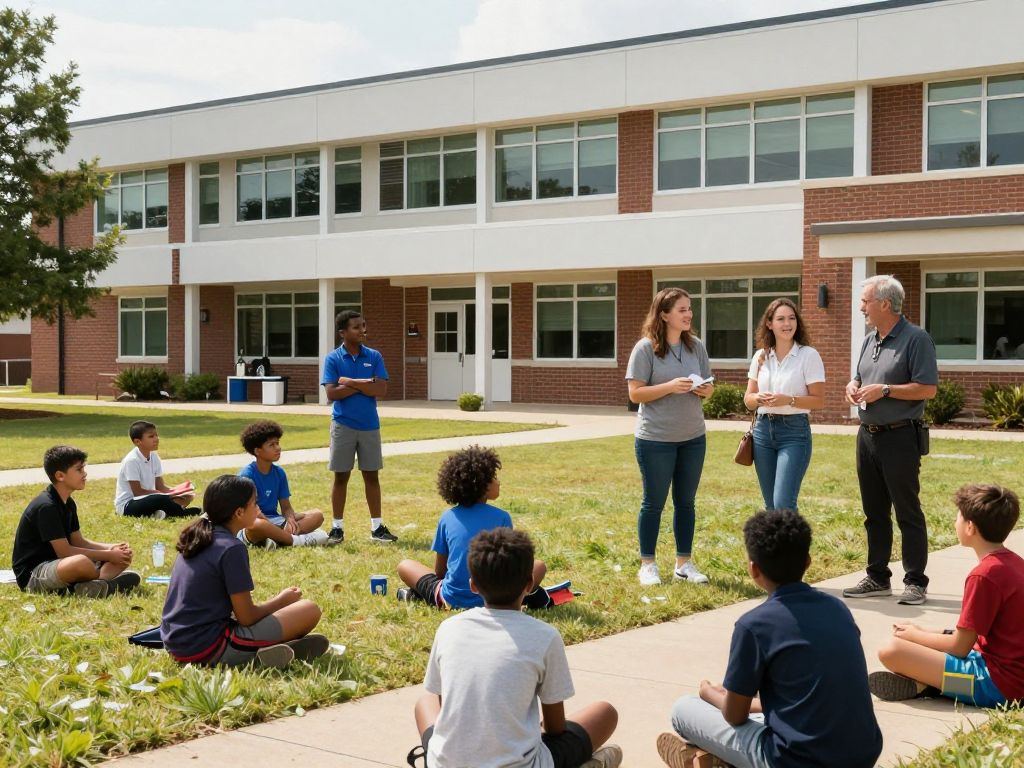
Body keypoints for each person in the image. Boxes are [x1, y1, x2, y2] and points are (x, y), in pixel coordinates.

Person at [657, 510, 882, 768]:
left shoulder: (754, 625)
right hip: (863, 754)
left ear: (753, 569)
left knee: (683, 710)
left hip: (795, 761)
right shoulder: (838, 609)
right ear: (808, 561)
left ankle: (724, 760)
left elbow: (734, 715)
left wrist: (710, 694)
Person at [412, 528, 622, 768]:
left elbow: (444, 708)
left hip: (447, 764)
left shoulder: (448, 628)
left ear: (473, 585)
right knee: (605, 713)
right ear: (530, 583)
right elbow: (555, 727)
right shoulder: (545, 636)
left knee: (424, 703)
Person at [869, 484, 1024, 708]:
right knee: (911, 642)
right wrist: (921, 632)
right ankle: (928, 681)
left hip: (1001, 687)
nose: (955, 523)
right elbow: (975, 635)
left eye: (958, 518)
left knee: (891, 650)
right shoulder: (1014, 563)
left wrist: (915, 637)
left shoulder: (984, 575)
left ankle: (937, 685)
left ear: (970, 527)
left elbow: (959, 647)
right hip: (1006, 671)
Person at [160, 475, 328, 669]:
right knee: (309, 610)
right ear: (239, 512)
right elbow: (246, 617)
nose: (258, 509)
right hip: (207, 647)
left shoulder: (198, 535)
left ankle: (275, 649)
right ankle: (257, 657)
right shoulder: (231, 548)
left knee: (289, 614)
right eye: (254, 504)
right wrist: (282, 600)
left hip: (175, 643)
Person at [843, 275, 938, 606]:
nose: (861, 307)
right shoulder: (870, 339)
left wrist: (886, 390)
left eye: (865, 301)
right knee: (874, 511)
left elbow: (927, 388)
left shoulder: (917, 339)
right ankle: (877, 576)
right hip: (866, 436)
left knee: (907, 510)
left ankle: (915, 581)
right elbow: (860, 375)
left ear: (885, 303)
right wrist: (852, 386)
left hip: (900, 436)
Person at [626, 287, 714, 586]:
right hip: (655, 439)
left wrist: (705, 390)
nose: (688, 314)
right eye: (682, 310)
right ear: (664, 314)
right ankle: (647, 564)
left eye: (689, 309)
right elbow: (635, 393)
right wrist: (670, 386)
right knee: (653, 503)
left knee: (686, 503)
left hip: (693, 436)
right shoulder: (645, 348)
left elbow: (709, 387)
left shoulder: (696, 347)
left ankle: (684, 563)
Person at [396, 445, 548, 609]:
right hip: (494, 599)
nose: (498, 481)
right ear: (483, 486)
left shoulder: (447, 517)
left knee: (405, 565)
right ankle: (526, 597)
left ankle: (418, 595)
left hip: (450, 599)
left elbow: (440, 572)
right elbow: (507, 566)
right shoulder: (502, 517)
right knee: (538, 566)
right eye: (494, 477)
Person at [12, 445, 140, 598]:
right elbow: (65, 551)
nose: (84, 474)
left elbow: (79, 541)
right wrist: (108, 556)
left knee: (122, 556)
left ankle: (93, 586)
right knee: (82, 562)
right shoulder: (46, 506)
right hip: (34, 574)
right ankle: (100, 582)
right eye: (79, 470)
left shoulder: (68, 503)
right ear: (60, 475)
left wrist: (113, 548)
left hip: (61, 564)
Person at [322, 309, 397, 544]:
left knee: (371, 476)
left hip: (369, 426)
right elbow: (332, 393)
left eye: (363, 325)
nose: (362, 330)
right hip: (343, 425)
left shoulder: (374, 356)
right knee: (341, 477)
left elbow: (381, 390)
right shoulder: (333, 359)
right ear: (343, 332)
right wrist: (366, 384)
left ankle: (377, 529)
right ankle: (337, 529)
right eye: (356, 327)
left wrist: (350, 382)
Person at [742, 298, 825, 512]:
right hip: (762, 433)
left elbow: (818, 400)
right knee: (771, 506)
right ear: (769, 324)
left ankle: (795, 547)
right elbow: (748, 400)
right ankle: (777, 547)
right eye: (780, 319)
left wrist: (789, 400)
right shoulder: (761, 356)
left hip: (794, 433)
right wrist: (759, 398)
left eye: (791, 318)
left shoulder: (808, 355)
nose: (787, 323)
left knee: (783, 504)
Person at [236, 420, 328, 548]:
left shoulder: (279, 473)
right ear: (257, 451)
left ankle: (276, 540)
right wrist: (273, 528)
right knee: (258, 525)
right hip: (255, 521)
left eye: (277, 443)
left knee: (317, 515)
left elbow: (286, 507)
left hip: (277, 520)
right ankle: (293, 539)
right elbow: (252, 512)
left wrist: (290, 518)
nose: (278, 448)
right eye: (271, 445)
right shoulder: (247, 475)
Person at [114, 420, 200, 518]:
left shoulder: (154, 457)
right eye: (151, 436)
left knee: (187, 496)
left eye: (156, 435)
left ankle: (159, 514)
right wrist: (162, 495)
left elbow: (160, 487)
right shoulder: (132, 460)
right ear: (138, 442)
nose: (156, 439)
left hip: (150, 499)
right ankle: (183, 513)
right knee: (160, 499)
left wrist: (176, 491)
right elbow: (137, 493)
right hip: (129, 505)